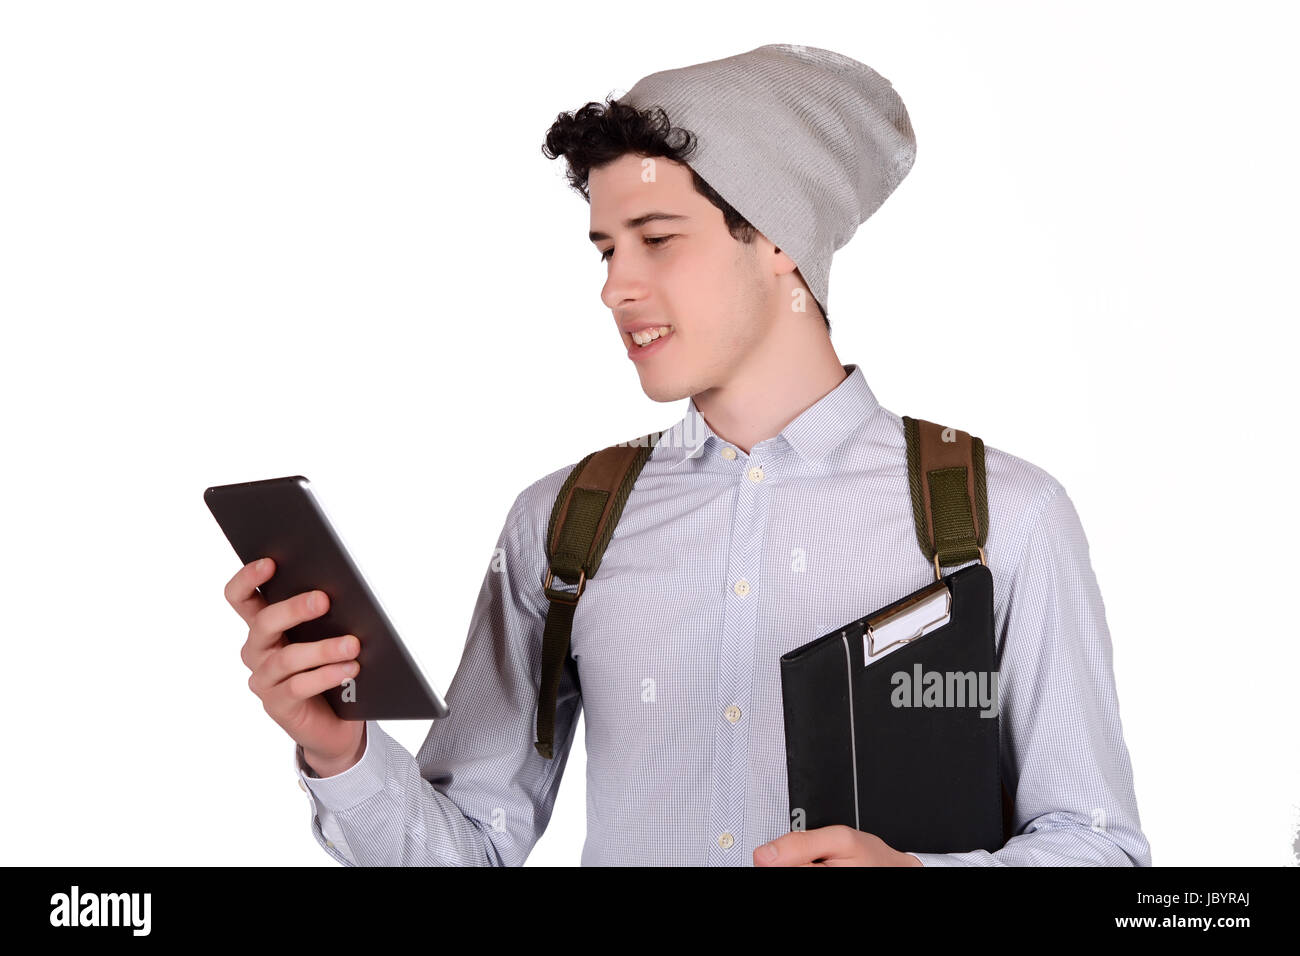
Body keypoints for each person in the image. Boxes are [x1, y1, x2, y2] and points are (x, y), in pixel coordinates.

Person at [226, 44, 1150, 866]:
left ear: (781, 241)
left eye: (658, 241)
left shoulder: (1004, 516)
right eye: (604, 250)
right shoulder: (561, 525)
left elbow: (1101, 846)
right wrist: (340, 752)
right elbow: (468, 850)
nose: (616, 287)